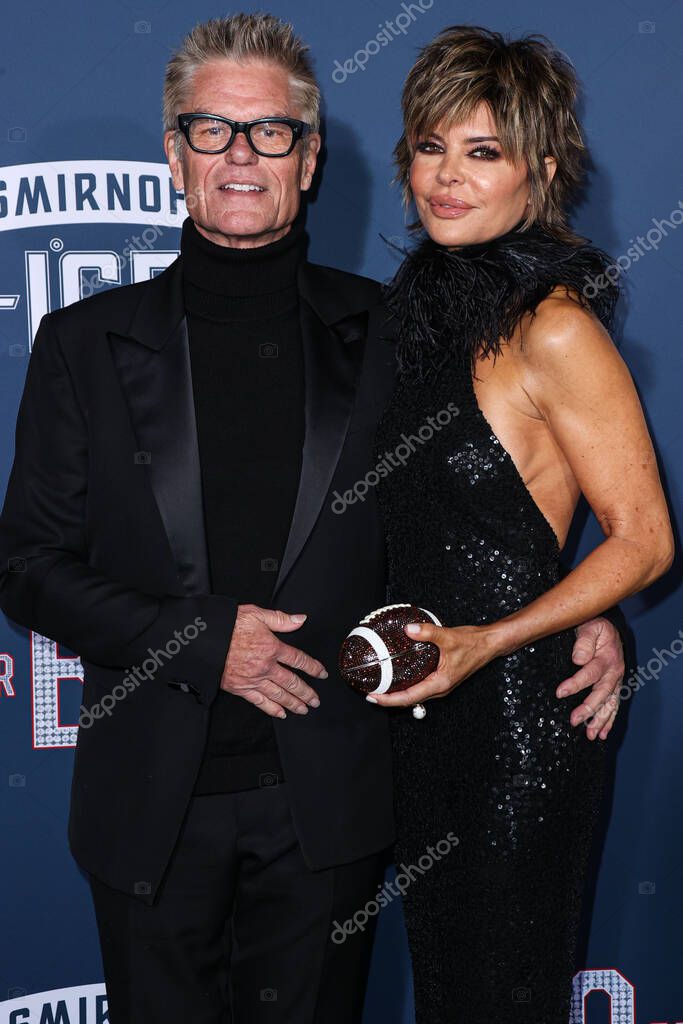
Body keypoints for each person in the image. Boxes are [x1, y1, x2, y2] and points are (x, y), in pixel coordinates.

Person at [0, 14, 627, 1024]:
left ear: (310, 157)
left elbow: (470, 507)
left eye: (271, 132)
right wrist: (205, 642)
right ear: (174, 154)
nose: (241, 155)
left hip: (330, 805)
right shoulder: (82, 346)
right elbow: (25, 565)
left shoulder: (396, 332)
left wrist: (570, 610)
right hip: (148, 810)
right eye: (212, 130)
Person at [365, 25, 674, 1023]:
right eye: (429, 146)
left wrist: (489, 641)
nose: (446, 178)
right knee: (450, 986)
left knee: (501, 990)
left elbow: (644, 539)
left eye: (481, 151)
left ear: (538, 170)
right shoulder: (416, 313)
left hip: (515, 723)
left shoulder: (551, 325)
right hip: (421, 711)